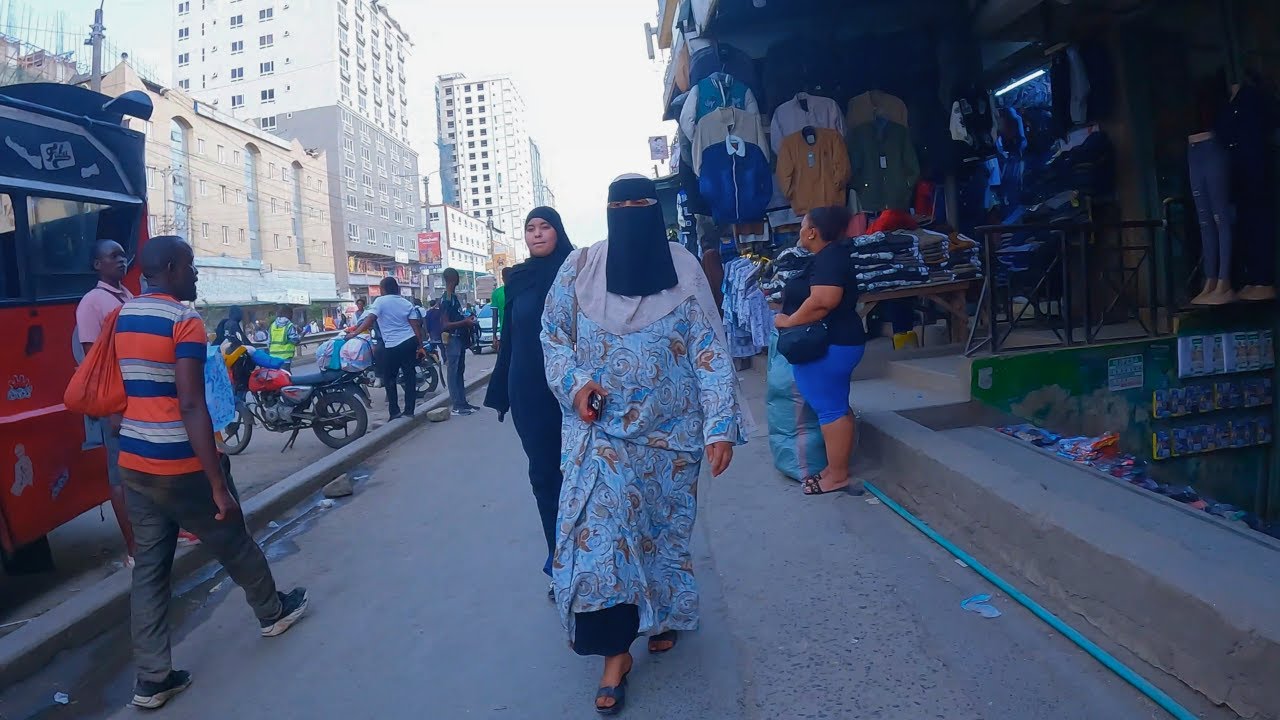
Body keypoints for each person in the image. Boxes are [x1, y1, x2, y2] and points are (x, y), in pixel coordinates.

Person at [542, 176, 749, 714]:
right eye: (620, 206)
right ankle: (615, 656)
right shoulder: (581, 267)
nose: (631, 214)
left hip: (670, 439)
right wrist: (576, 384)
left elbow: (709, 351)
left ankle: (665, 615)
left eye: (641, 205)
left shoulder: (682, 270)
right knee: (601, 539)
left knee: (663, 536)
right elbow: (553, 336)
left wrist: (719, 426)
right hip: (600, 435)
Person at [114, 236, 307, 709]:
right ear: (173, 268)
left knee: (150, 572)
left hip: (134, 463)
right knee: (232, 537)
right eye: (193, 266)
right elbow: (190, 402)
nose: (196, 274)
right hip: (179, 463)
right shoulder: (184, 321)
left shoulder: (123, 316)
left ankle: (153, 678)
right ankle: (272, 610)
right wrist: (217, 484)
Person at [483, 208, 573, 596]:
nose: (537, 235)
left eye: (545, 227)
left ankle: (591, 556)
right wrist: (501, 392)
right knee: (544, 477)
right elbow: (512, 339)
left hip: (572, 392)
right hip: (529, 393)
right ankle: (560, 563)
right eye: (530, 229)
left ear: (558, 231)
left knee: (580, 475)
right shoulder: (516, 279)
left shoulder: (578, 272)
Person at [774, 205, 866, 495]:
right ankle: (833, 469)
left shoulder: (829, 259)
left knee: (831, 410)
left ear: (812, 231)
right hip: (837, 342)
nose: (800, 230)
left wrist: (789, 321)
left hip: (831, 344)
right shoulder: (829, 256)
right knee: (835, 407)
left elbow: (823, 301)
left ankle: (837, 475)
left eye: (803, 225)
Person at [75, 239, 136, 566]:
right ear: (98, 265)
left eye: (123, 255)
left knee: (145, 471)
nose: (121, 260)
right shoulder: (91, 302)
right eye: (113, 256)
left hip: (137, 397)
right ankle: (133, 549)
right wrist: (112, 408)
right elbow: (93, 363)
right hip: (115, 402)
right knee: (120, 477)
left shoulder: (127, 296)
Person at [346, 277, 423, 419]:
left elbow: (370, 319)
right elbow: (415, 326)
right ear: (397, 289)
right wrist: (420, 346)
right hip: (409, 342)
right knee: (409, 376)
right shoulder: (406, 303)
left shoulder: (380, 301)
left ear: (383, 289)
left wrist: (355, 332)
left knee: (389, 378)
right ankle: (409, 411)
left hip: (392, 345)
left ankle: (394, 412)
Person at [440, 268, 477, 415]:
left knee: (459, 371)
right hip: (453, 339)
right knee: (453, 372)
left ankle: (463, 402)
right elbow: (445, 324)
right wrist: (465, 322)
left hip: (459, 339)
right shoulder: (447, 299)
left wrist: (467, 320)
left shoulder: (453, 297)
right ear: (454, 279)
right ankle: (456, 405)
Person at [489, 267, 509, 352]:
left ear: (502, 279)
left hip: (504, 330)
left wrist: (494, 335)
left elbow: (495, 317)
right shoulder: (518, 291)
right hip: (517, 329)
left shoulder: (497, 293)